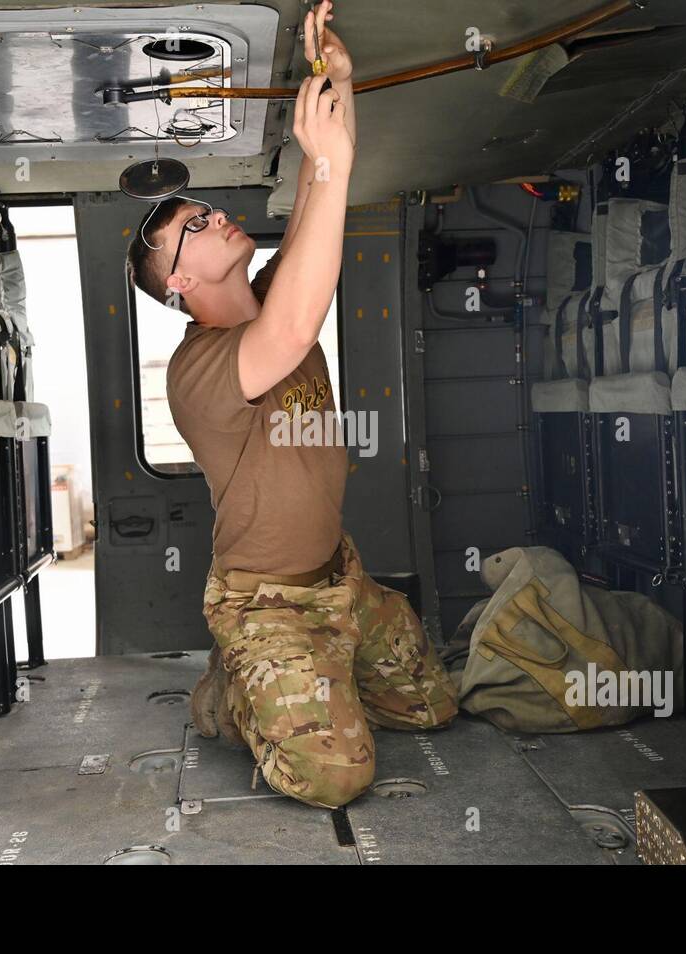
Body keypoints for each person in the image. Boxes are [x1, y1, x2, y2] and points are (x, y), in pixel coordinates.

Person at [125, 1, 458, 809]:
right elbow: (296, 322)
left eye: (206, 208)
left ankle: (317, 678)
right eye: (193, 226)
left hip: (338, 578)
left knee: (433, 710)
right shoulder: (199, 366)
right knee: (336, 778)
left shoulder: (271, 294)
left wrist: (337, 82)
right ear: (179, 281)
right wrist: (332, 166)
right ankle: (237, 690)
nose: (214, 217)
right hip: (267, 602)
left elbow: (315, 198)